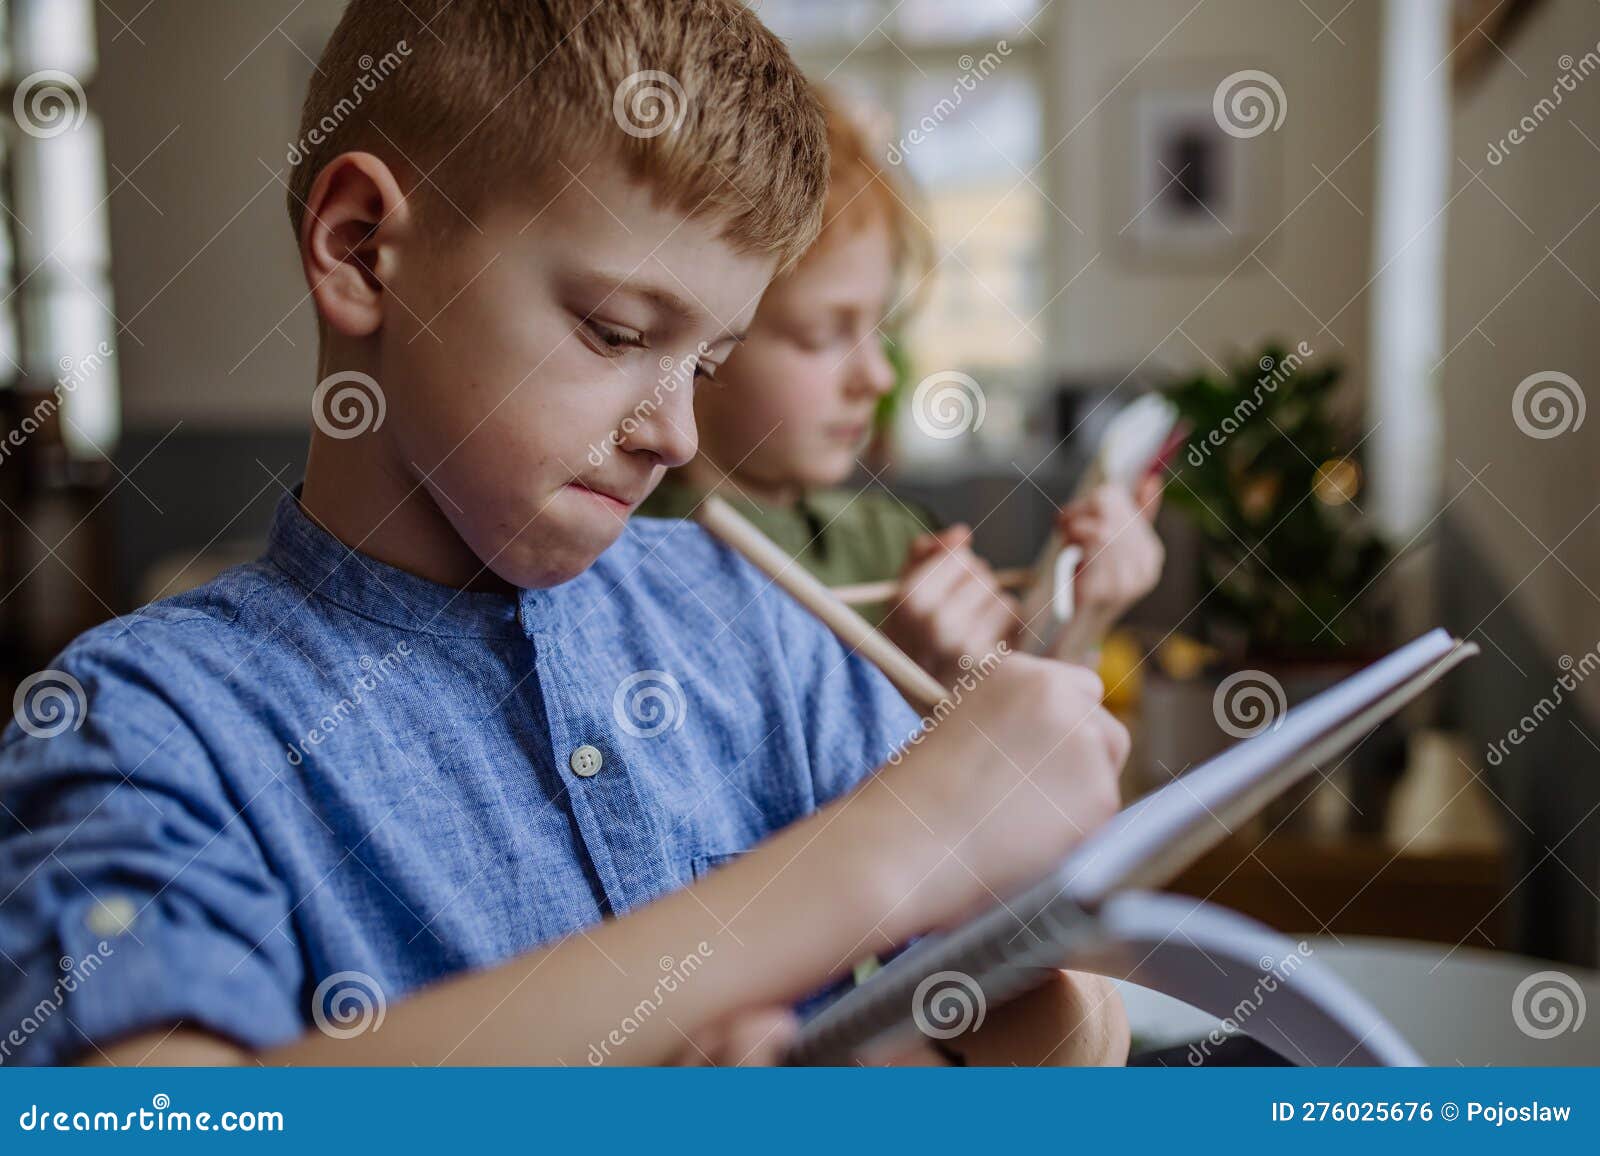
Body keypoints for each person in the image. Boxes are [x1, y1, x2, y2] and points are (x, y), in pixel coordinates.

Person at [0, 0, 1128, 1067]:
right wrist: (881, 849)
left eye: (711, 362)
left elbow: (1063, 1034)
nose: (678, 432)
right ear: (357, 250)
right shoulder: (145, 725)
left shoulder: (763, 625)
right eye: (614, 331)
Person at [640, 90, 1165, 687]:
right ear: (700, 336)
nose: (879, 376)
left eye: (879, 328)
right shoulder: (642, 570)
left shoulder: (893, 538)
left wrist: (1074, 623)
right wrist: (899, 692)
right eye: (822, 334)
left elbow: (1035, 763)